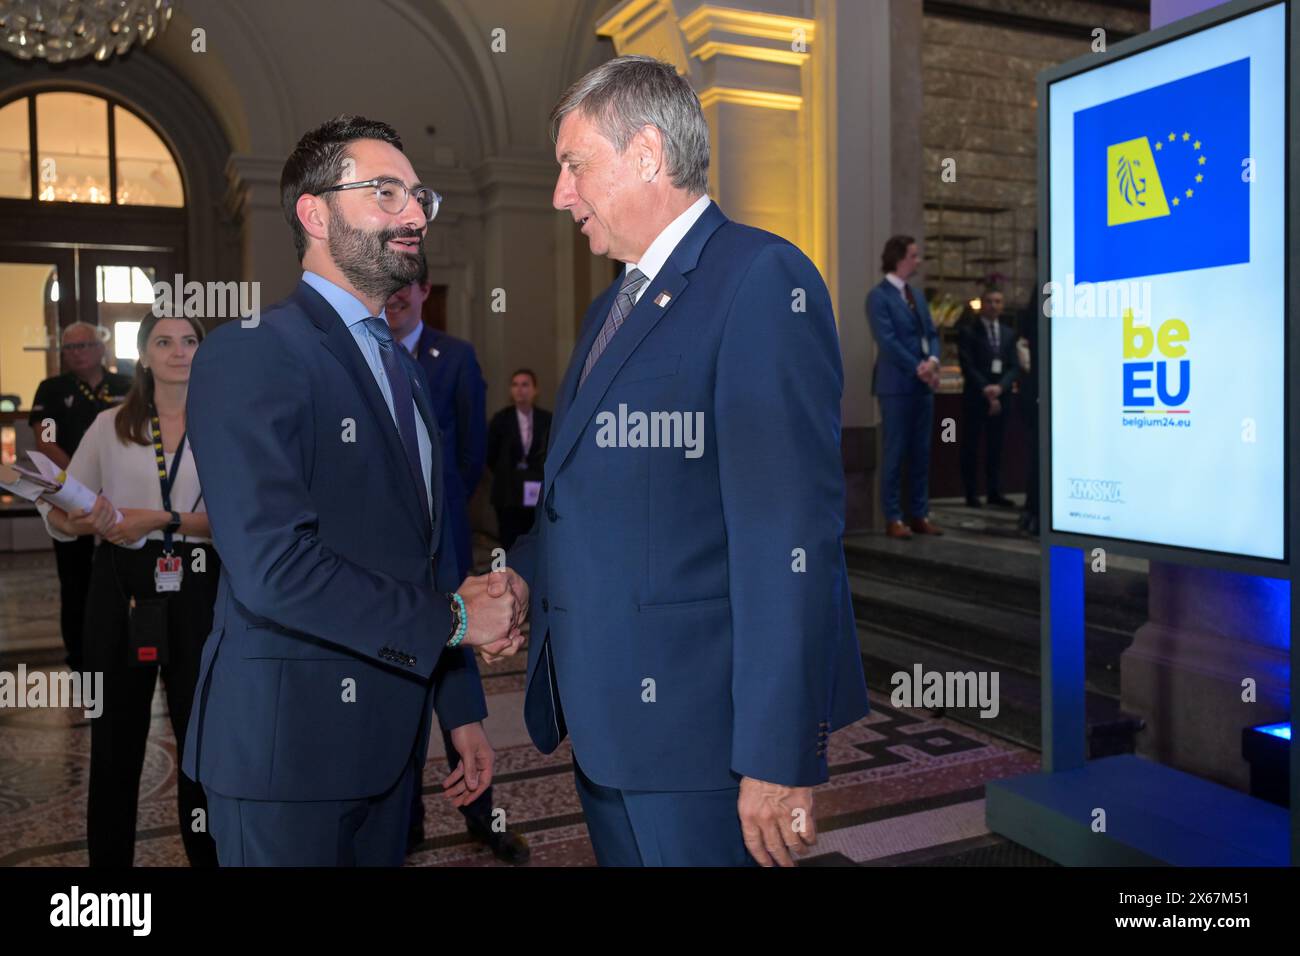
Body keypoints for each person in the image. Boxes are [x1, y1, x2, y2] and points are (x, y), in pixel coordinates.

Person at [482, 55, 869, 867]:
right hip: (607, 727)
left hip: (705, 742)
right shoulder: (612, 305)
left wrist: (776, 752)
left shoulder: (760, 279)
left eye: (573, 164)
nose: (560, 194)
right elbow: (591, 500)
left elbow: (788, 538)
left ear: (648, 154)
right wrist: (523, 575)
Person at [180, 115, 519, 866]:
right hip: (286, 756)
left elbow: (424, 551)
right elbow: (275, 570)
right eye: (385, 192)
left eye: (418, 196)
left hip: (388, 750)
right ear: (314, 212)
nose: (412, 215)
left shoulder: (399, 367)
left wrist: (459, 710)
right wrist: (455, 619)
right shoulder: (252, 352)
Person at [40, 312, 217, 867]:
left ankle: (206, 857)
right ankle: (108, 879)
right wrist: (85, 519)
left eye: (189, 341)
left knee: (200, 738)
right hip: (121, 589)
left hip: (198, 588)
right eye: (163, 342)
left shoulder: (227, 425)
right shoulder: (111, 425)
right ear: (143, 355)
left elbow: (241, 521)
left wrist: (156, 519)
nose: (178, 351)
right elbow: (64, 513)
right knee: (114, 739)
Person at [384, 268, 529, 864]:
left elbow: (472, 452)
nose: (395, 297)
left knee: (455, 667)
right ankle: (404, 820)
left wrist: (442, 510)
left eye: (405, 288)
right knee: (398, 668)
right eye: (386, 288)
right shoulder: (361, 354)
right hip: (384, 551)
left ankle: (480, 813)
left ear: (423, 293)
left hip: (442, 544)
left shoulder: (456, 357)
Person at [29, 322, 132, 672]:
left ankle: (125, 648)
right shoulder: (51, 389)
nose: (78, 352)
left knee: (122, 575)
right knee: (74, 583)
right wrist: (82, 479)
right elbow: (44, 441)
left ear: (101, 348)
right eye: (70, 347)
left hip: (119, 496)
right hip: (70, 496)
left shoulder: (127, 385)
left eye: (85, 345)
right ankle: (80, 659)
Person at [866, 235, 944, 539]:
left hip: (922, 386)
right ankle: (893, 517)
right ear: (899, 258)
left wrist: (934, 360)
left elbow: (932, 333)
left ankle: (919, 513)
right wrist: (918, 367)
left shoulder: (917, 296)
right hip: (896, 387)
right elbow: (888, 342)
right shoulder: (879, 297)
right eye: (914, 254)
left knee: (921, 452)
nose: (918, 260)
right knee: (895, 451)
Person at [958, 286, 1019, 508]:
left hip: (1001, 398)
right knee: (971, 446)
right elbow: (967, 365)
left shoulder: (1009, 334)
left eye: (998, 301)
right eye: (990, 301)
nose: (994, 306)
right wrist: (986, 389)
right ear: (982, 305)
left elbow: (1013, 366)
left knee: (997, 446)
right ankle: (971, 493)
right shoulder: (968, 331)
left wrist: (1000, 388)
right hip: (976, 397)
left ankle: (995, 491)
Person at [486, 369, 551, 550]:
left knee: (534, 540)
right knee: (509, 541)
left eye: (525, 385)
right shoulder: (501, 420)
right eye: (515, 385)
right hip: (508, 492)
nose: (520, 390)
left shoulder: (546, 420)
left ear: (535, 390)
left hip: (535, 489)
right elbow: (490, 455)